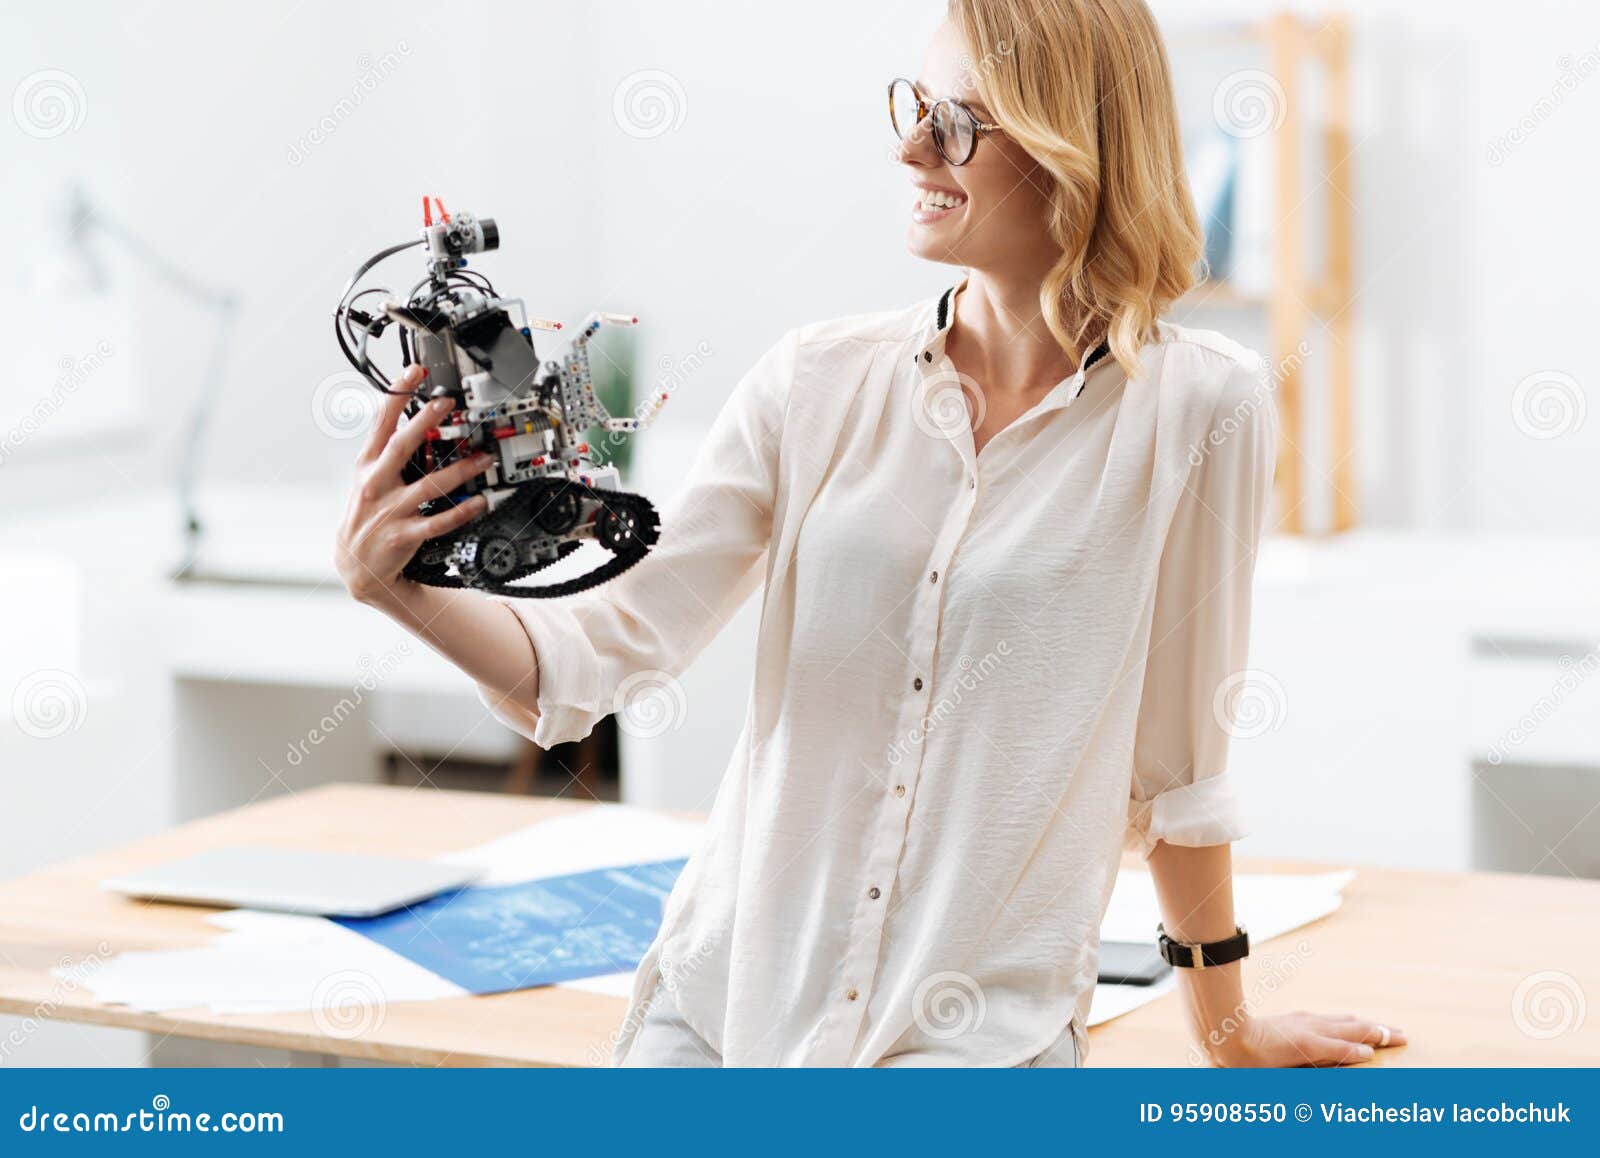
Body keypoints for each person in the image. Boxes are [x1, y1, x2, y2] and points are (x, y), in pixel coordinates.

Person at [335, 0, 1406, 1067]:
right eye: (915, 107)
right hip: (722, 1014)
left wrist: (1227, 1029)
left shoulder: (1198, 411)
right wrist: (396, 588)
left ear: (1071, 143)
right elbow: (585, 664)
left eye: (956, 121)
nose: (909, 148)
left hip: (970, 1043)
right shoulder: (815, 380)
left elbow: (1181, 771)